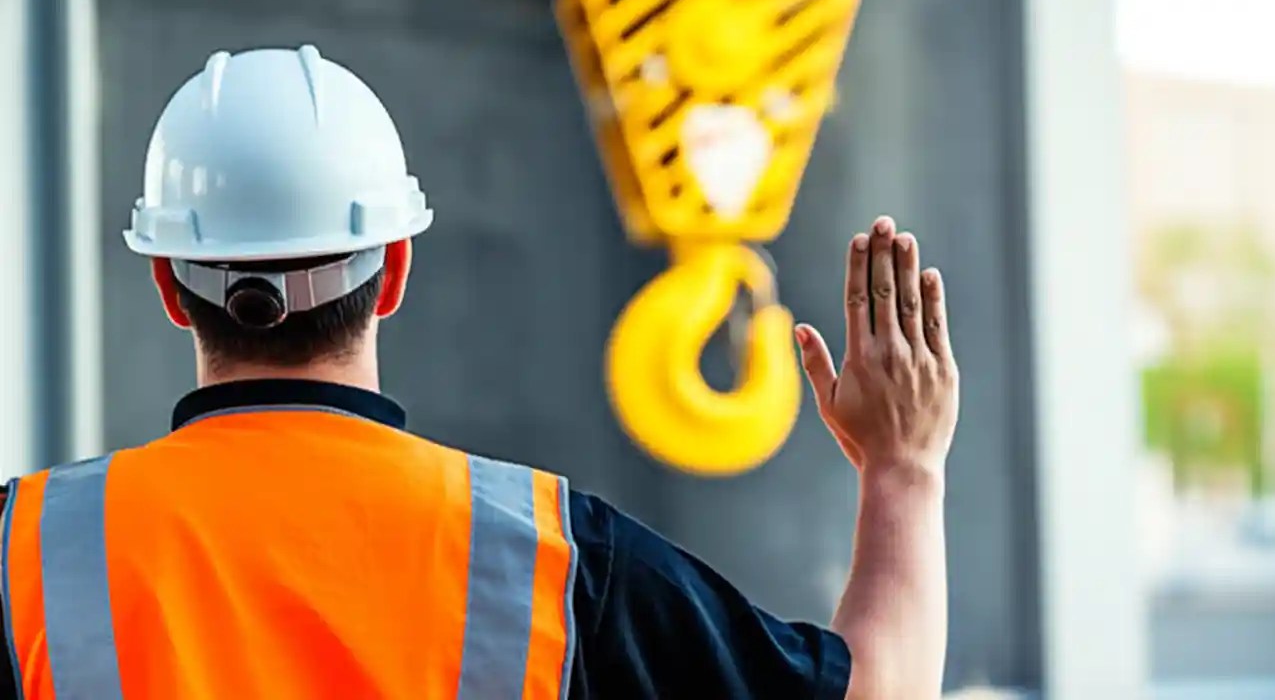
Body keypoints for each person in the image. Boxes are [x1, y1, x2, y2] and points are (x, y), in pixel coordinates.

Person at [0, 46, 958, 700]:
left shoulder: (28, 553)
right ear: (395, 274)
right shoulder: (545, 555)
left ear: (170, 285)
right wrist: (903, 470)